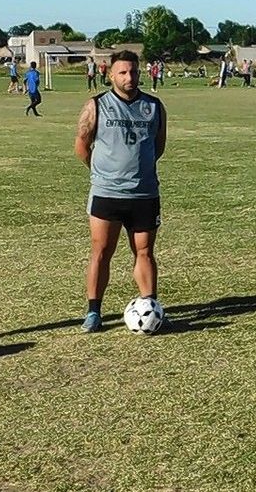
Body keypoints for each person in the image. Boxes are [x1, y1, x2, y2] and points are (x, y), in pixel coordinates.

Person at [74, 50, 167, 332]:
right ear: (111, 74)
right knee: (101, 252)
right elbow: (81, 145)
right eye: (123, 72)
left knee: (145, 252)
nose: (130, 77)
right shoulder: (97, 105)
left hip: (144, 193)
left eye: (134, 72)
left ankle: (149, 306)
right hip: (107, 193)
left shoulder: (154, 106)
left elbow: (158, 146)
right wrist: (101, 172)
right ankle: (93, 312)